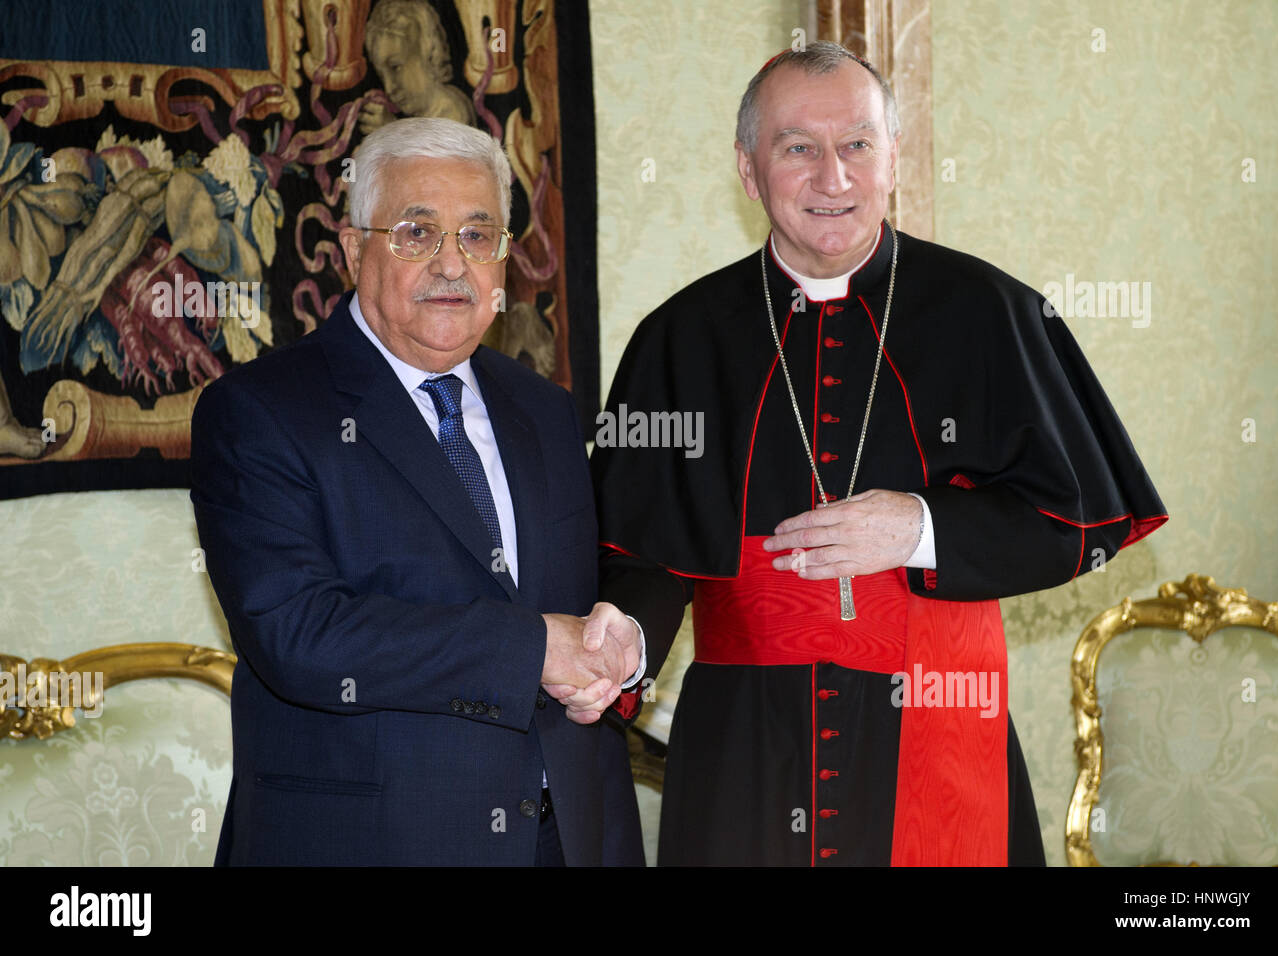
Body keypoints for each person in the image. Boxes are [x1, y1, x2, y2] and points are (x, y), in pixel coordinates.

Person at [591, 42, 1167, 866]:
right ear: (749, 172)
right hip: (745, 744)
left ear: (893, 159)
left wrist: (923, 527)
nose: (834, 178)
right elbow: (640, 550)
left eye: (858, 145)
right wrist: (624, 636)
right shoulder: (682, 337)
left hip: (934, 712)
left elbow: (1079, 518)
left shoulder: (989, 313)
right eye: (798, 148)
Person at [191, 117, 645, 865]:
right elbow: (297, 635)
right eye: (415, 232)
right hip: (369, 843)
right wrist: (533, 649)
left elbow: (575, 599)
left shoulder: (546, 409)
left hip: (566, 840)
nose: (451, 265)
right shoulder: (262, 411)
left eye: (477, 235)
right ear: (349, 250)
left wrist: (614, 644)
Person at [361, 0, 476, 133]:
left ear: (429, 54)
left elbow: (433, 151)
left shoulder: (451, 111)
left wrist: (390, 129)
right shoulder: (424, 113)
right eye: (381, 75)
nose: (389, 88)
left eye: (395, 67)